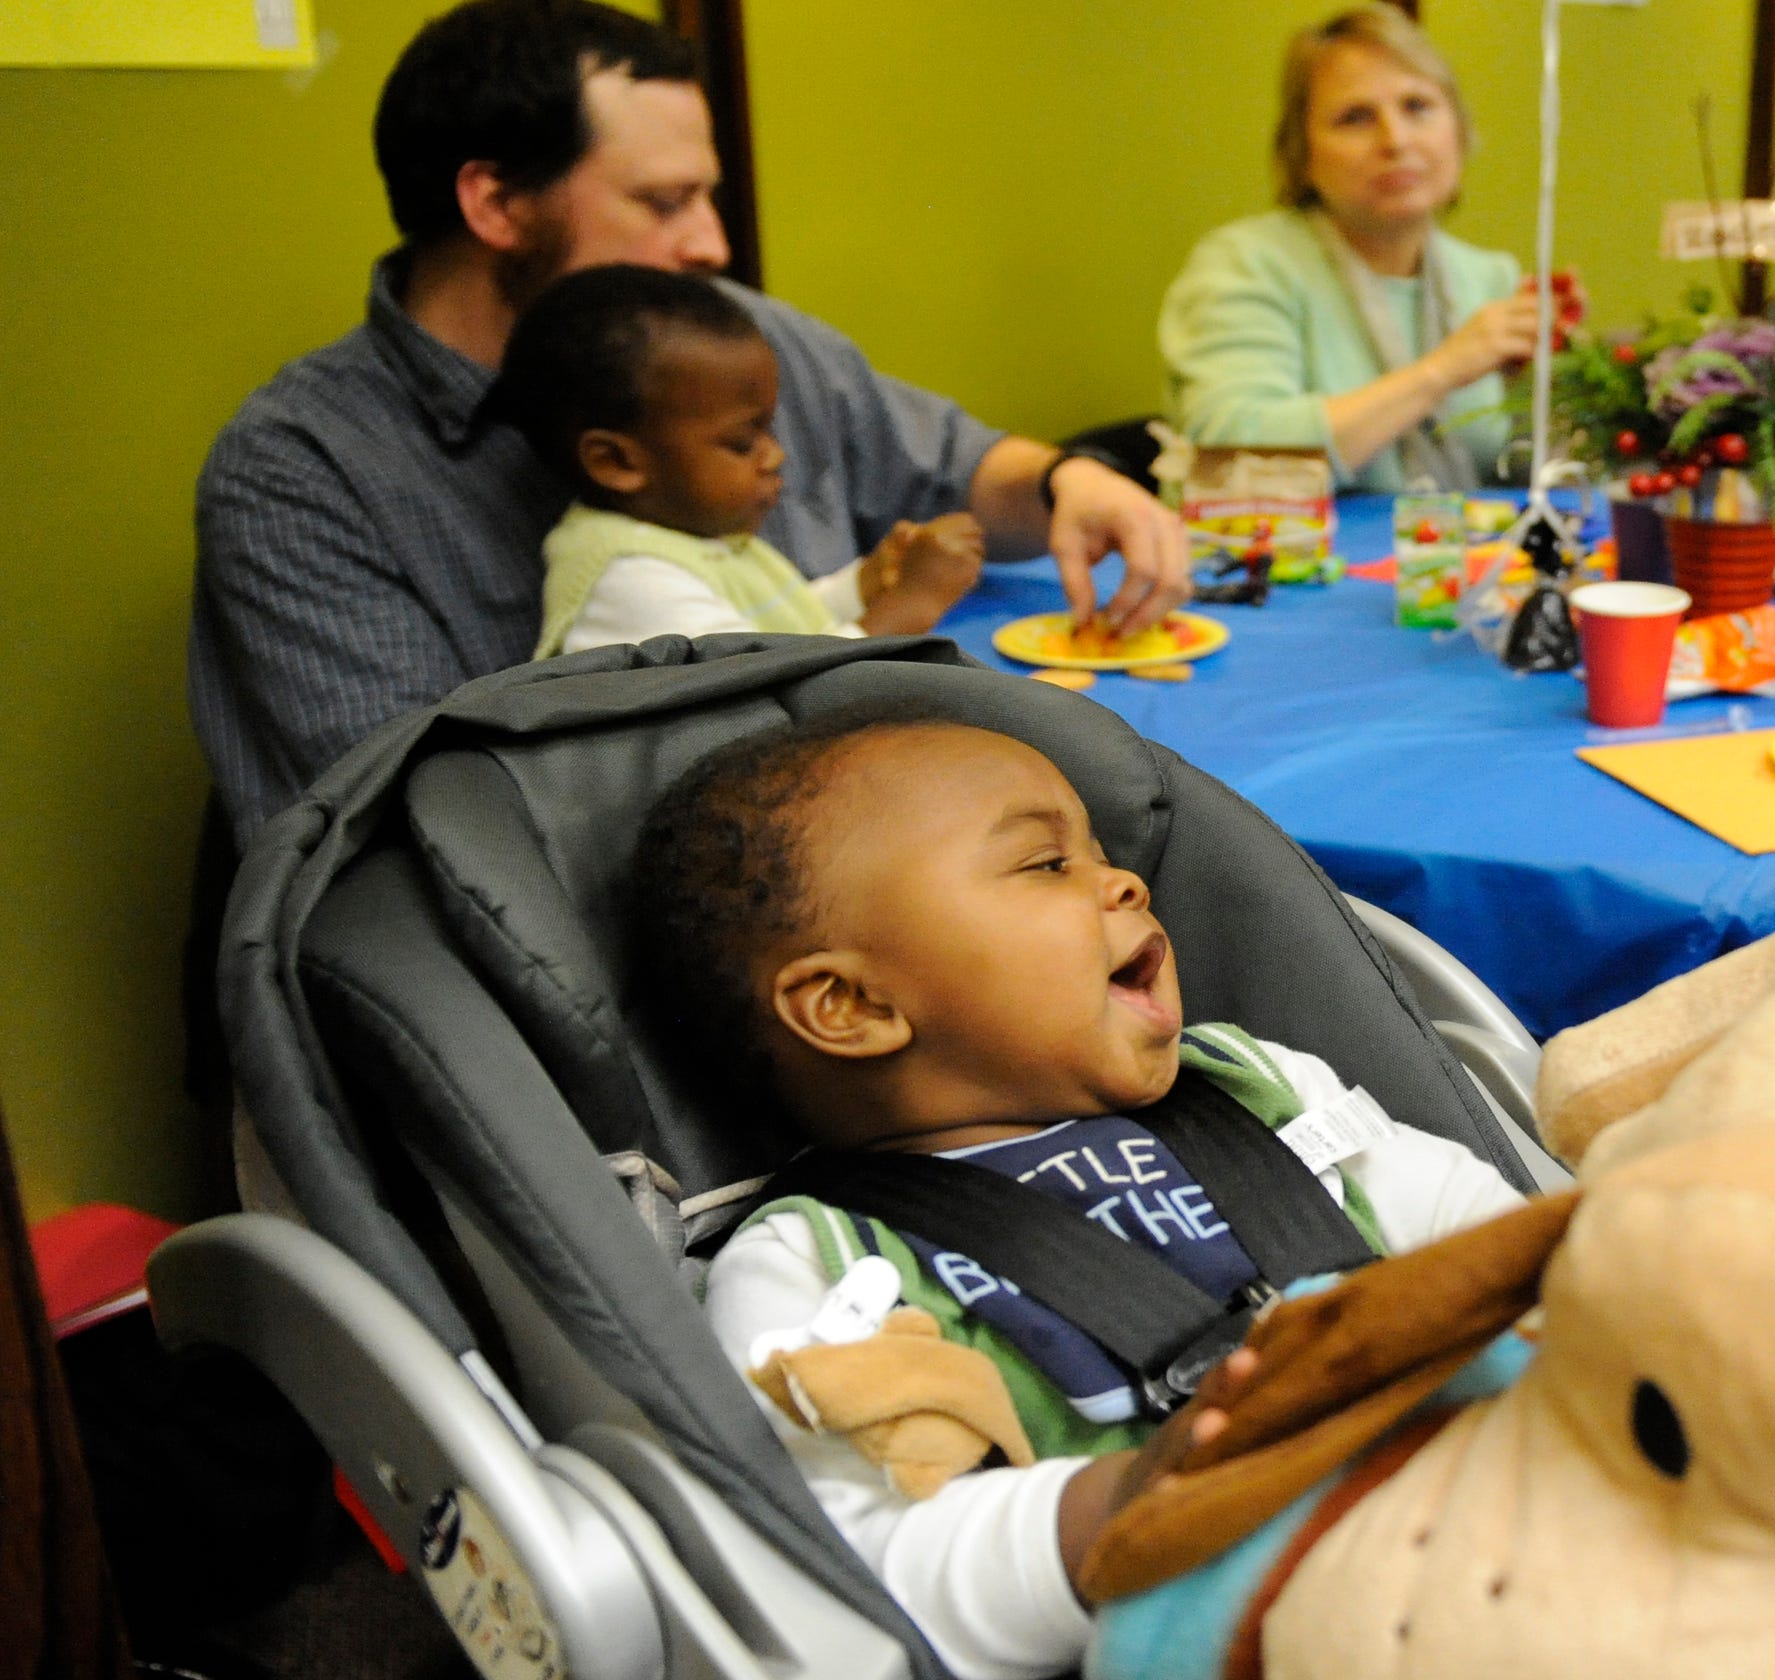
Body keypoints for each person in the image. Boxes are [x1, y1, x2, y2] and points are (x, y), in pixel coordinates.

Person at [190, 0, 1188, 844]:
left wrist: (1068, 482)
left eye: (707, 196)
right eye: (665, 201)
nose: (711, 243)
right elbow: (423, 832)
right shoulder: (304, 469)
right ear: (497, 203)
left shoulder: (731, 338)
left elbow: (957, 469)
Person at [657, 711, 1523, 1680]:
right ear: (853, 1006)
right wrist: (1117, 1504)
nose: (1126, 883)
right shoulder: (817, 1266)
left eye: (1104, 855)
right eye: (1044, 865)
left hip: (1504, 1513)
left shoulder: (1256, 1087)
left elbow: (1494, 1238)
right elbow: (859, 1570)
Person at [489, 265, 986, 657]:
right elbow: (779, 695)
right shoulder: (630, 580)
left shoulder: (699, 539)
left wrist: (865, 585)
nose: (776, 455)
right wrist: (912, 604)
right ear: (616, 462)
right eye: (743, 443)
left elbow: (782, 628)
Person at [1158, 5, 1543, 494]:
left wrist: (1573, 388)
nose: (1395, 140)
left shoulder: (1490, 278)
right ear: (1302, 152)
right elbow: (1230, 468)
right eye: (1355, 118)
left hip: (1457, 543)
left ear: (1459, 130)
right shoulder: (1243, 266)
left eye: (1417, 106)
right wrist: (1442, 370)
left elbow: (1523, 474)